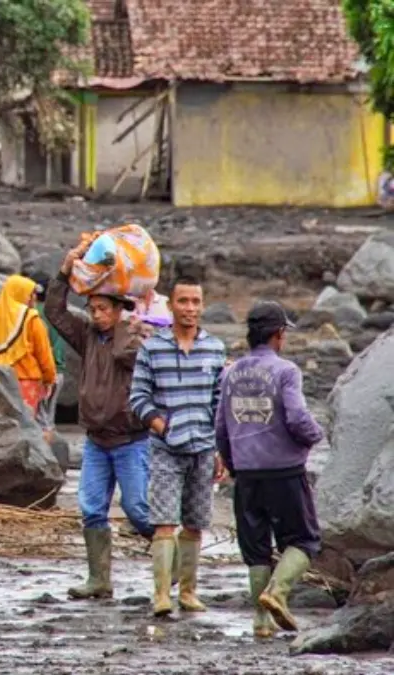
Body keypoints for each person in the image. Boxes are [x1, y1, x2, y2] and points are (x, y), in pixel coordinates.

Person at [45, 246, 154, 600]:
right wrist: (64, 272)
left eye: (103, 309)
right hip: (96, 441)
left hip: (131, 440)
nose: (96, 315)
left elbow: (126, 355)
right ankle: (99, 580)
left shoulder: (137, 336)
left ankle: (174, 565)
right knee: (92, 507)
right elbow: (55, 312)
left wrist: (126, 322)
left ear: (120, 309)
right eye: (92, 309)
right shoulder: (88, 336)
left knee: (138, 509)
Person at [216, 302, 323, 637]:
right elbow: (296, 417)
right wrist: (315, 436)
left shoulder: (230, 373)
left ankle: (261, 623)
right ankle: (277, 592)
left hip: (247, 473)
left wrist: (232, 463)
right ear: (279, 335)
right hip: (284, 471)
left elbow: (220, 426)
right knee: (305, 540)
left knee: (256, 548)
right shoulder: (286, 371)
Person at [129, 277, 227, 618]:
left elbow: (219, 403)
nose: (189, 308)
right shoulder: (152, 348)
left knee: (196, 523)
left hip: (202, 448)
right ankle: (160, 595)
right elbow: (138, 397)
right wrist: (162, 426)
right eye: (183, 301)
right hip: (165, 448)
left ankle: (188, 591)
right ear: (170, 306)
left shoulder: (215, 348)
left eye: (195, 302)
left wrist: (220, 450)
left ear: (202, 306)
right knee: (163, 522)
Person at [0, 275, 56, 411]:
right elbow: (44, 354)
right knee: (26, 426)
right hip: (27, 383)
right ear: (20, 295)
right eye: (30, 294)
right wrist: (49, 379)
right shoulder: (31, 320)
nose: (33, 298)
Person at [30, 271, 68, 441]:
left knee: (38, 419)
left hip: (43, 373)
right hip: (59, 371)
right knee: (48, 419)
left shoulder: (33, 314)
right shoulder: (57, 312)